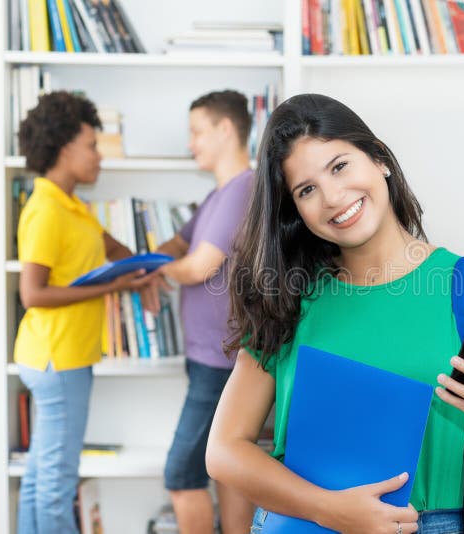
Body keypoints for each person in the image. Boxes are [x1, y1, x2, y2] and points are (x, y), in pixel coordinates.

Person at [205, 93, 464, 534]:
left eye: (339, 166)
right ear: (295, 211)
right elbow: (224, 450)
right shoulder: (288, 296)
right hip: (303, 524)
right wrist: (327, 509)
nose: (334, 197)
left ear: (379, 158)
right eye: (306, 190)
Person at [15, 91, 153, 534]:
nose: (99, 157)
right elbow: (32, 294)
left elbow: (113, 248)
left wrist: (144, 269)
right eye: (92, 145)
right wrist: (114, 285)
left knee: (40, 479)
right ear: (63, 147)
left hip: (60, 357)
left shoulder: (73, 207)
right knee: (55, 487)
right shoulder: (46, 210)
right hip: (58, 359)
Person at [154, 90, 256, 534]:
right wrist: (154, 262)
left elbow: (198, 266)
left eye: (197, 132)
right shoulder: (217, 196)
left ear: (226, 129)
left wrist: (154, 269)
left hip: (221, 361)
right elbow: (178, 244)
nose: (191, 143)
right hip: (208, 357)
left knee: (182, 472)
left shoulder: (243, 189)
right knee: (227, 466)